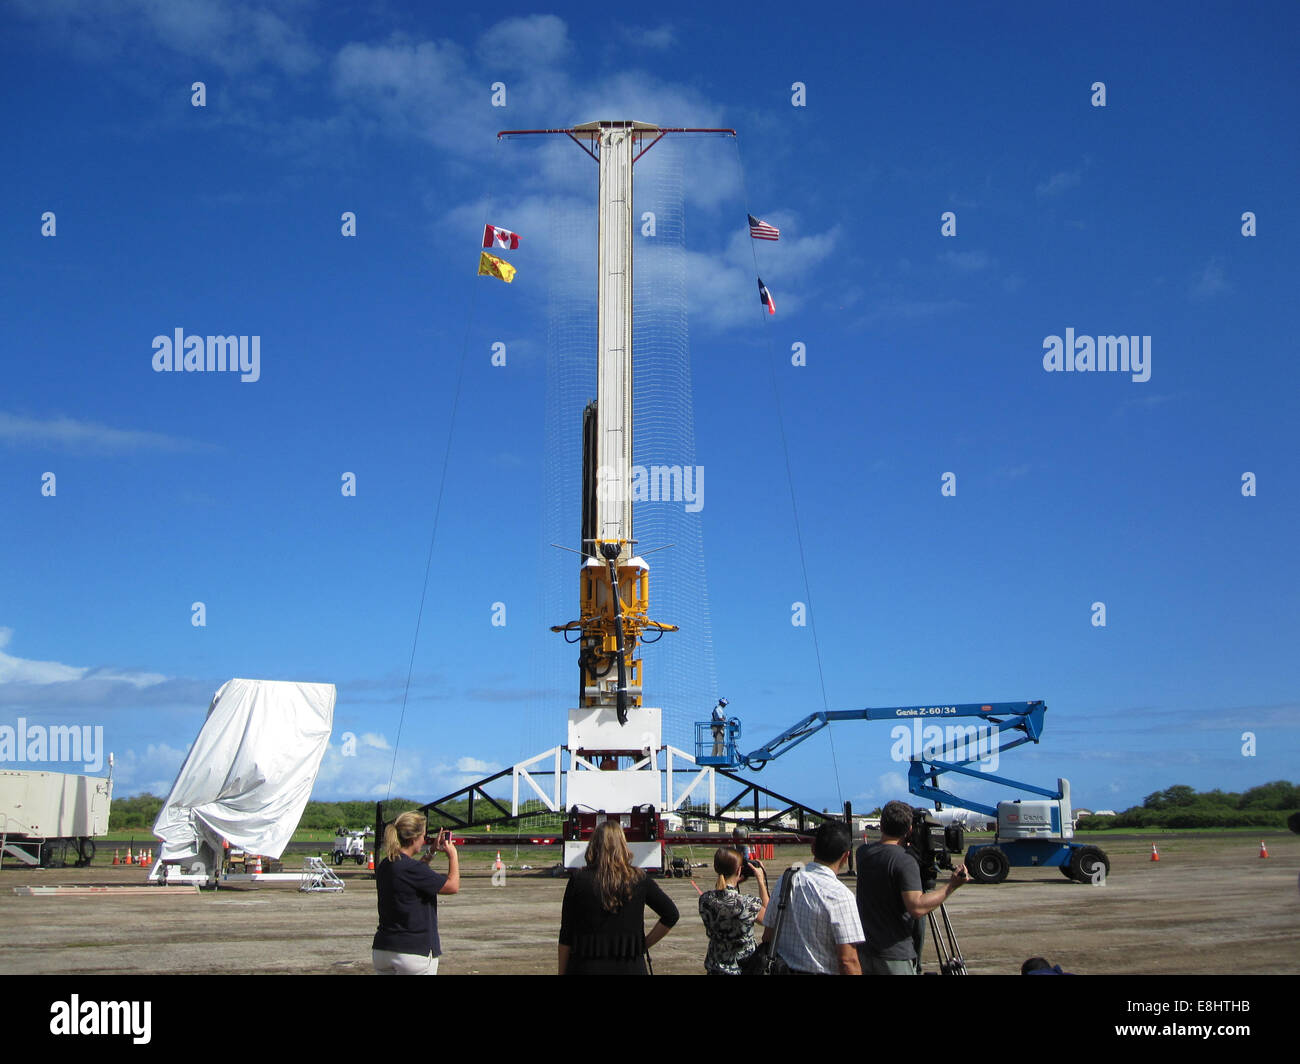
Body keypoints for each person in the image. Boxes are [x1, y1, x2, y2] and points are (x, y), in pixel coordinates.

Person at [855, 800, 970, 975]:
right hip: (894, 956)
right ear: (909, 830)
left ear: (881, 825)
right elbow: (916, 907)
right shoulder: (905, 861)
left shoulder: (863, 853)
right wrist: (951, 886)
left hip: (866, 952)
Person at [558, 821, 680, 974]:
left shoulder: (578, 880)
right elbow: (671, 914)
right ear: (623, 844)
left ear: (593, 845)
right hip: (630, 965)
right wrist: (643, 944)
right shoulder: (639, 879)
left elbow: (566, 936)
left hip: (586, 966)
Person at [763, 821, 864, 974]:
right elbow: (848, 961)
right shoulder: (841, 896)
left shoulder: (786, 879)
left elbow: (768, 936)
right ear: (846, 856)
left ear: (813, 847)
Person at [372, 811, 460, 975]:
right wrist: (453, 856)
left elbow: (414, 875)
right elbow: (452, 886)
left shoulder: (387, 864)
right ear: (414, 839)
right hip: (413, 951)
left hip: (383, 949)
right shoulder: (412, 869)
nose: (424, 840)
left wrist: (431, 852)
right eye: (423, 837)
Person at [699, 847, 769, 974]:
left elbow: (722, 893)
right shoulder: (747, 903)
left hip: (715, 968)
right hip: (742, 968)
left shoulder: (705, 900)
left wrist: (736, 879)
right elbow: (769, 918)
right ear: (739, 870)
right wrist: (761, 881)